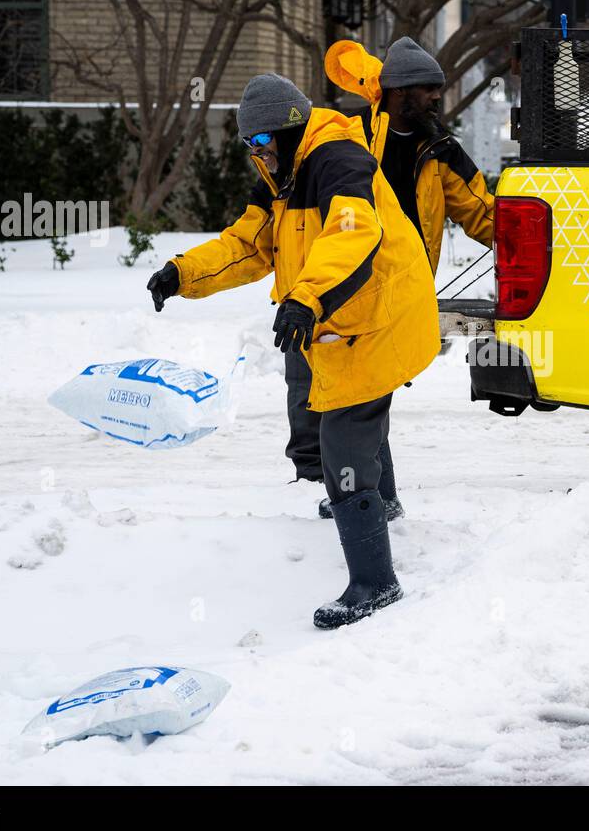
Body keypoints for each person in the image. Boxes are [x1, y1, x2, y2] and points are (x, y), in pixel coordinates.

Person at [145, 73, 439, 629]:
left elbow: (353, 234)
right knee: (360, 412)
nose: (255, 153)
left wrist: (305, 296)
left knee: (343, 441)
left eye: (259, 142)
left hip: (375, 314)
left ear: (288, 128)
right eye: (248, 146)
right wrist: (181, 274)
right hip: (345, 313)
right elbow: (248, 244)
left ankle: (375, 583)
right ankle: (386, 504)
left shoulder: (336, 161)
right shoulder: (282, 172)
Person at [282, 36, 495, 520]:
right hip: (347, 281)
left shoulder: (441, 149)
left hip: (401, 288)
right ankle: (373, 493)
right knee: (356, 393)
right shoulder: (350, 134)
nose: (437, 99)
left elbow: (483, 212)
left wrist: (538, 240)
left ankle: (369, 494)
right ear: (399, 92)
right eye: (428, 90)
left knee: (366, 395)